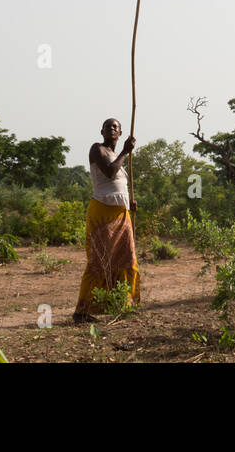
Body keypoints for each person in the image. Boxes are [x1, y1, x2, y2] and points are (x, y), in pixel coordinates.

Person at [73, 117, 141, 323]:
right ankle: (82, 312)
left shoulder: (119, 159)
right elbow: (110, 173)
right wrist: (125, 152)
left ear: (120, 133)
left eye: (116, 127)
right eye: (108, 126)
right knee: (99, 261)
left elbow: (118, 185)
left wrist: (129, 203)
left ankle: (124, 304)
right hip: (102, 213)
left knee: (128, 260)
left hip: (121, 215)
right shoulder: (98, 150)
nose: (112, 129)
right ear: (102, 132)